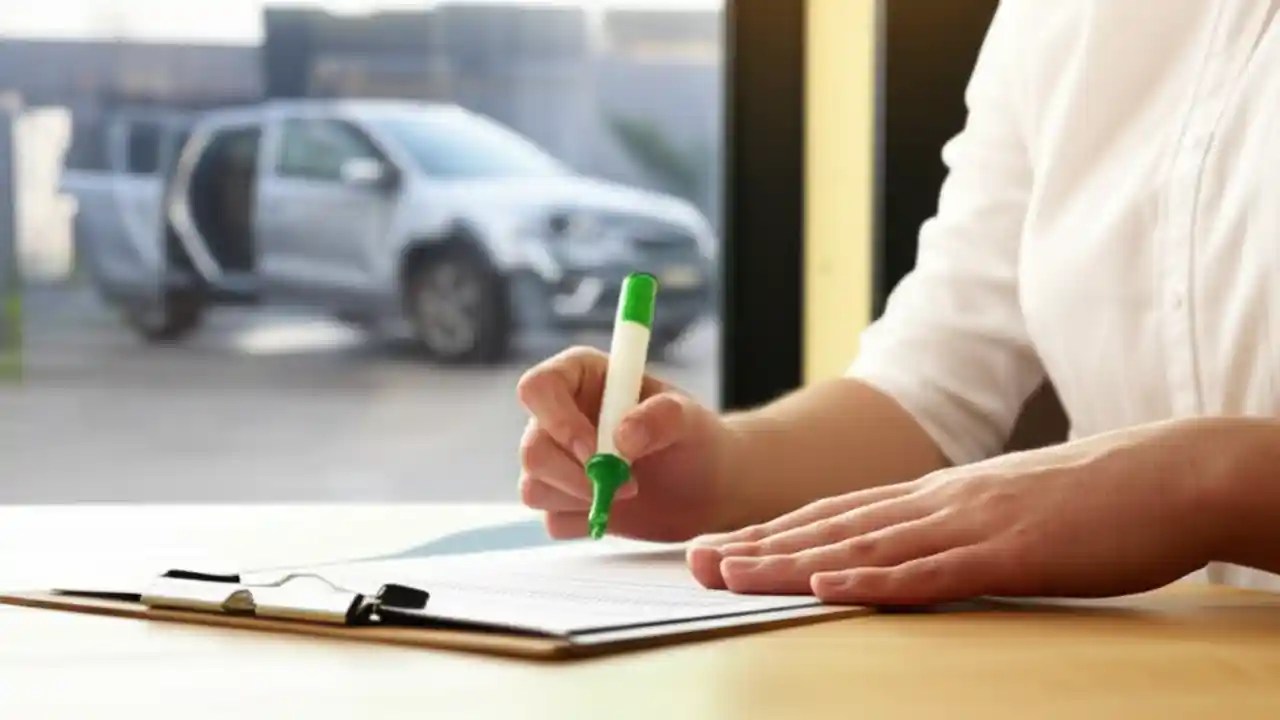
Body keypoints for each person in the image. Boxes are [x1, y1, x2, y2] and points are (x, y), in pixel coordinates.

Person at [515, 0, 1280, 605]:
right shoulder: (1054, 18)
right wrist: (721, 468)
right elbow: (931, 388)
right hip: (1134, 678)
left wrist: (1200, 480)